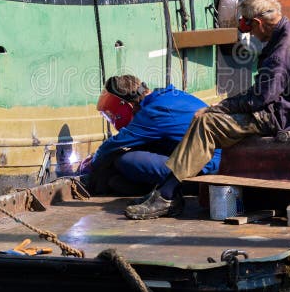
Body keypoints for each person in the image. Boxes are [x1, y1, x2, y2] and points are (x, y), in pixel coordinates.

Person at [125, 0, 290, 220]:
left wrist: (216, 108)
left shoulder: (283, 49)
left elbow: (260, 99)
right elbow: (264, 94)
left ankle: (167, 195)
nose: (249, 33)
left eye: (248, 26)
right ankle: (166, 190)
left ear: (259, 23)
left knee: (207, 123)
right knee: (206, 119)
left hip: (288, 117)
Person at [79, 75, 221, 199]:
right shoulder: (168, 95)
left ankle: (182, 187)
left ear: (127, 106)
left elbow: (114, 144)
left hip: (205, 169)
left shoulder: (153, 112)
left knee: (124, 160)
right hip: (215, 159)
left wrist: (92, 164)